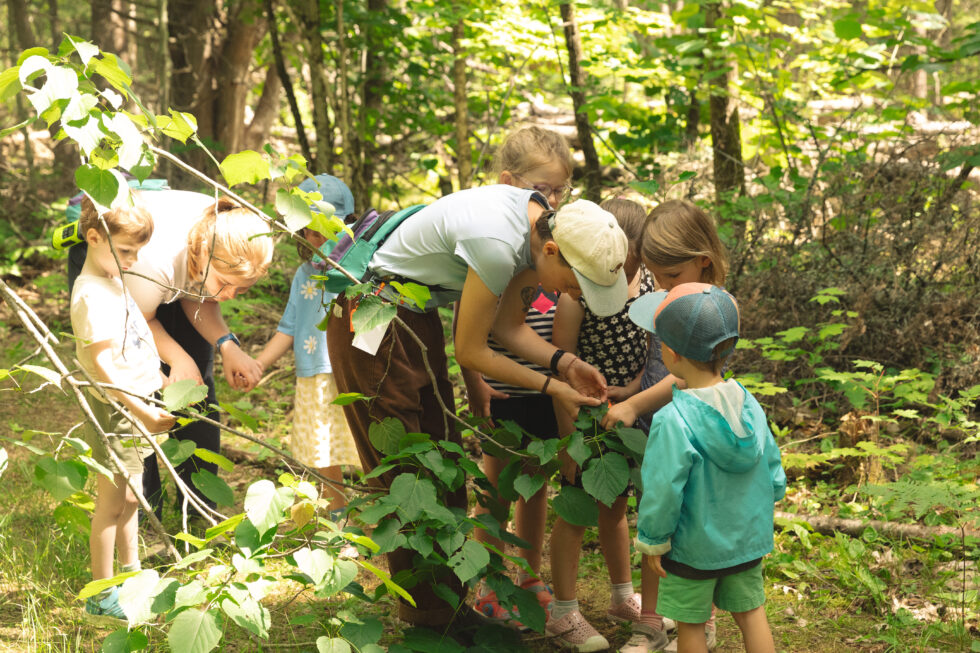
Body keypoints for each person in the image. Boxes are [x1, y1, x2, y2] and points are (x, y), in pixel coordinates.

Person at [326, 185, 629, 636]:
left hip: (413, 309)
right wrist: (554, 388)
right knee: (404, 472)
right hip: (367, 310)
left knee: (444, 466)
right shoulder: (497, 243)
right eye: (573, 284)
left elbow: (507, 327)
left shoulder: (541, 222)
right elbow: (470, 350)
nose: (571, 295)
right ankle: (429, 626)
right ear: (552, 251)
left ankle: (443, 611)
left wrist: (565, 364)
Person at [601, 199, 731, 650]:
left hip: (690, 429)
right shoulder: (673, 296)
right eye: (655, 276)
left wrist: (635, 404)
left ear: (703, 261)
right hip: (658, 426)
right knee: (653, 526)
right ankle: (653, 621)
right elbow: (658, 358)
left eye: (672, 277)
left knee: (691, 527)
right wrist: (633, 387)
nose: (663, 286)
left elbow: (684, 375)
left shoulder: (711, 311)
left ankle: (702, 622)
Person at [630, 283, 785, 653]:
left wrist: (652, 541)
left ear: (669, 353)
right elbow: (774, 474)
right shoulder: (750, 404)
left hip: (692, 549)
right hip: (746, 543)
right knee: (752, 614)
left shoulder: (673, 418)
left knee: (692, 623)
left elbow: (663, 489)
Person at [463, 126, 573, 627]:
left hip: (545, 388)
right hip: (505, 386)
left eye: (561, 190)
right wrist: (474, 383)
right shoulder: (502, 247)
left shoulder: (557, 249)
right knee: (498, 484)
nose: (553, 200)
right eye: (544, 189)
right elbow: (472, 332)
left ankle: (528, 574)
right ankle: (486, 577)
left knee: (537, 482)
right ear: (511, 182)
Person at [548, 198, 666, 652]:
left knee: (617, 509)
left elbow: (652, 345)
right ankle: (563, 610)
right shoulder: (576, 293)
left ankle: (621, 597)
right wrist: (567, 434)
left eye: (630, 263)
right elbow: (563, 364)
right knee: (575, 510)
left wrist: (636, 389)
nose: (623, 270)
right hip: (586, 418)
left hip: (631, 411)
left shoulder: (651, 282)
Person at [123, 193, 273, 520]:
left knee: (196, 391)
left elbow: (199, 293)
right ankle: (145, 518)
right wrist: (177, 358)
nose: (231, 295)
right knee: (136, 390)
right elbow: (136, 322)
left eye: (242, 290)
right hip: (126, 280)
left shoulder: (225, 237)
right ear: (204, 253)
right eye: (227, 283)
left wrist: (227, 345)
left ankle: (200, 517)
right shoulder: (155, 259)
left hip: (173, 277)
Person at [70, 198, 176, 622]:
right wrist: (143, 412)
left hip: (139, 401)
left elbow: (132, 339)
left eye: (138, 252)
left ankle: (131, 576)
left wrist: (159, 377)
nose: (133, 260)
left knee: (132, 496)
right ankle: (101, 593)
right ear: (94, 237)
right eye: (126, 250)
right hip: (120, 412)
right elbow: (102, 368)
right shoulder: (91, 294)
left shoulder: (112, 279)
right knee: (111, 505)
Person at [253, 175, 360, 512]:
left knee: (366, 445)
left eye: (328, 230)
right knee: (324, 450)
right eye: (311, 231)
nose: (319, 239)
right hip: (316, 375)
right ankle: (339, 518)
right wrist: (259, 364)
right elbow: (289, 327)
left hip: (353, 372)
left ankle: (385, 518)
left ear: (347, 227)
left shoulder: (362, 271)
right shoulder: (304, 274)